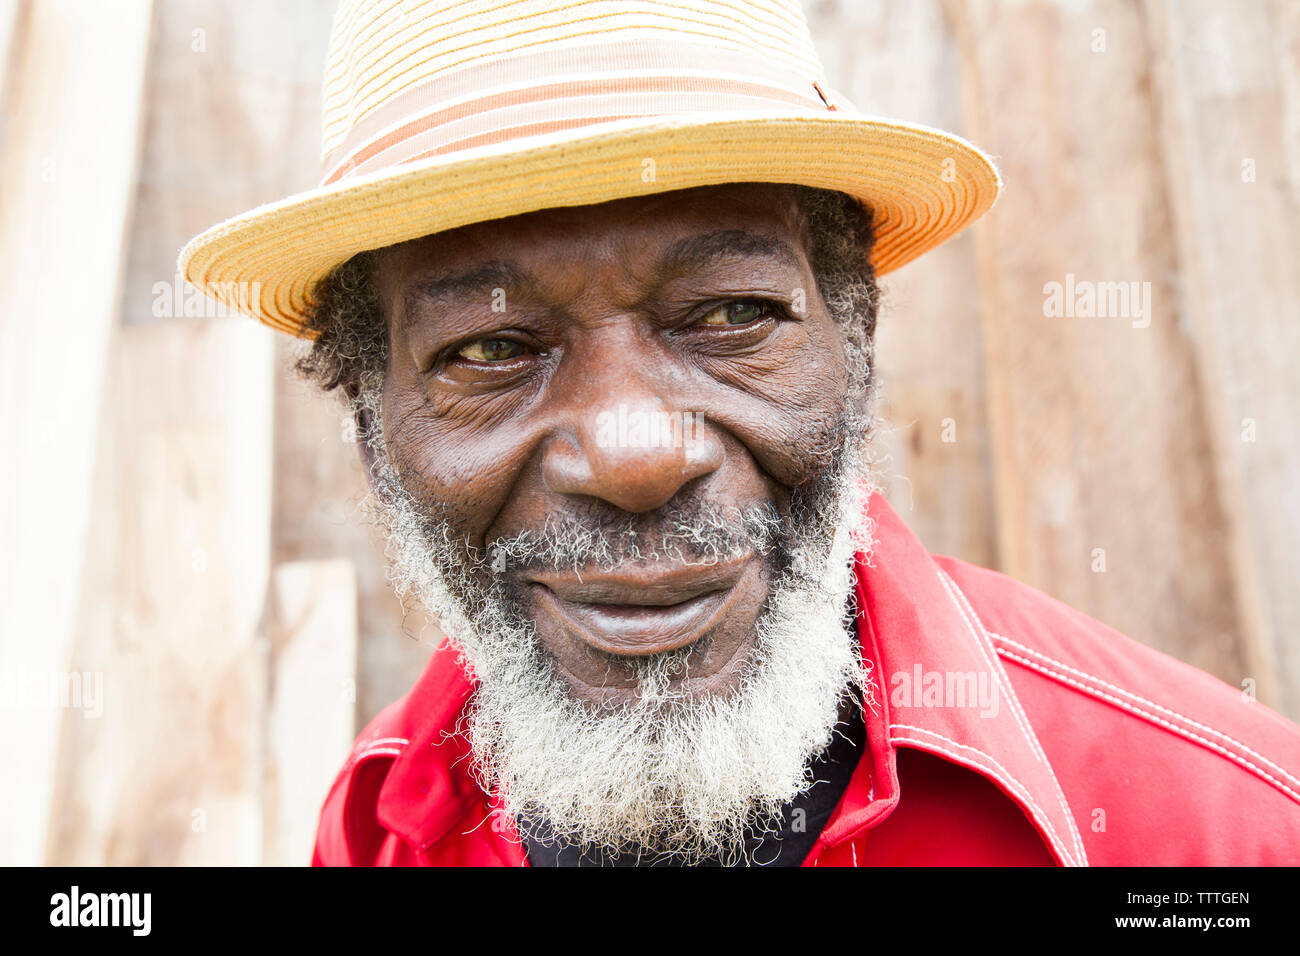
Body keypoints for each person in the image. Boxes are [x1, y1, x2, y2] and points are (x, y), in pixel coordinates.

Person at [182, 0, 1300, 866]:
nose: (634, 453)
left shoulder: (1220, 826)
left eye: (728, 315)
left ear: (854, 348)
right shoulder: (381, 827)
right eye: (490, 349)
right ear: (378, 434)